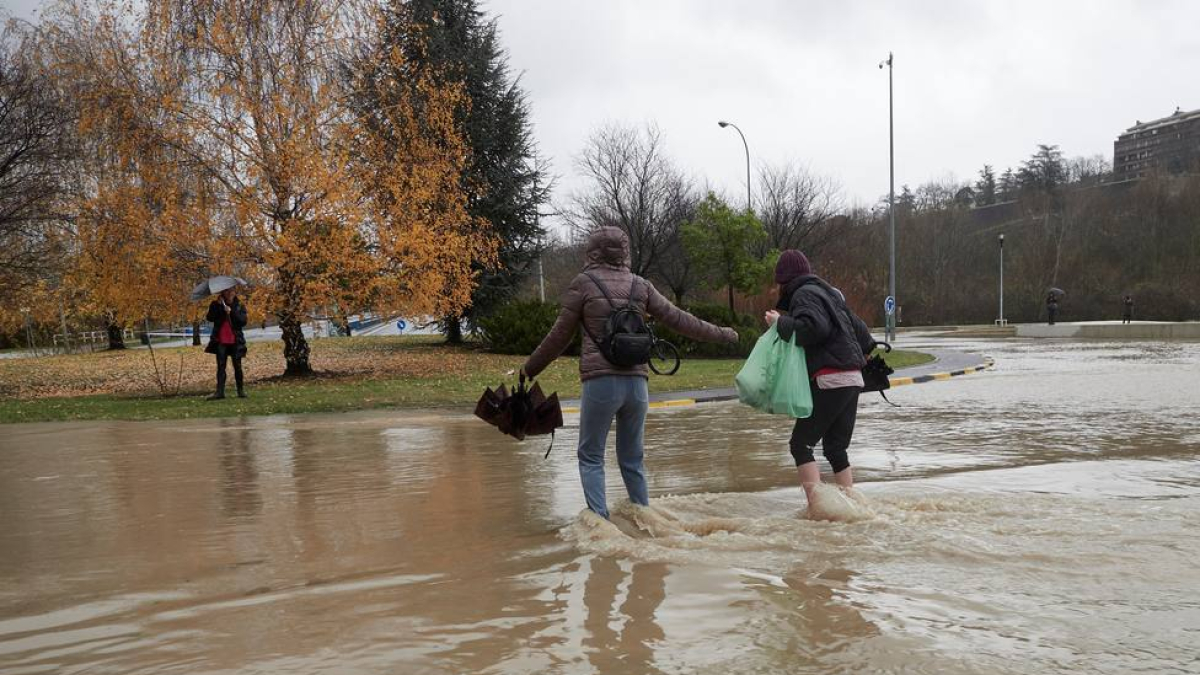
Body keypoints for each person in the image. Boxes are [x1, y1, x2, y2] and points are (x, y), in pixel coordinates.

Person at [522, 227, 738, 519]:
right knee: (632, 459)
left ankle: (600, 525)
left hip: (601, 384)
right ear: (625, 252)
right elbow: (680, 319)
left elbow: (558, 337)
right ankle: (646, 519)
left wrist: (530, 369)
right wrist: (724, 334)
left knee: (591, 456)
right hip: (637, 386)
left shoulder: (583, 284)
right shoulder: (640, 285)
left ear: (592, 251)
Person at [763, 250, 876, 509]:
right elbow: (864, 335)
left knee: (800, 444)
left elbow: (814, 328)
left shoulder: (804, 294)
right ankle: (855, 508)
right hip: (853, 378)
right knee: (836, 449)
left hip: (830, 378)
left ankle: (817, 508)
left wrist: (780, 323)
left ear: (784, 279)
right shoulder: (831, 294)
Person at [205, 287, 248, 400]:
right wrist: (219, 307)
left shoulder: (239, 305)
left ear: (235, 292)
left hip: (235, 340)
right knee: (221, 366)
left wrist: (231, 311)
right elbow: (210, 318)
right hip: (221, 340)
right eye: (226, 291)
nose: (229, 293)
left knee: (237, 366)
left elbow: (243, 321)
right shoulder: (216, 304)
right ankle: (220, 392)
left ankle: (240, 391)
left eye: (231, 291)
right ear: (222, 292)